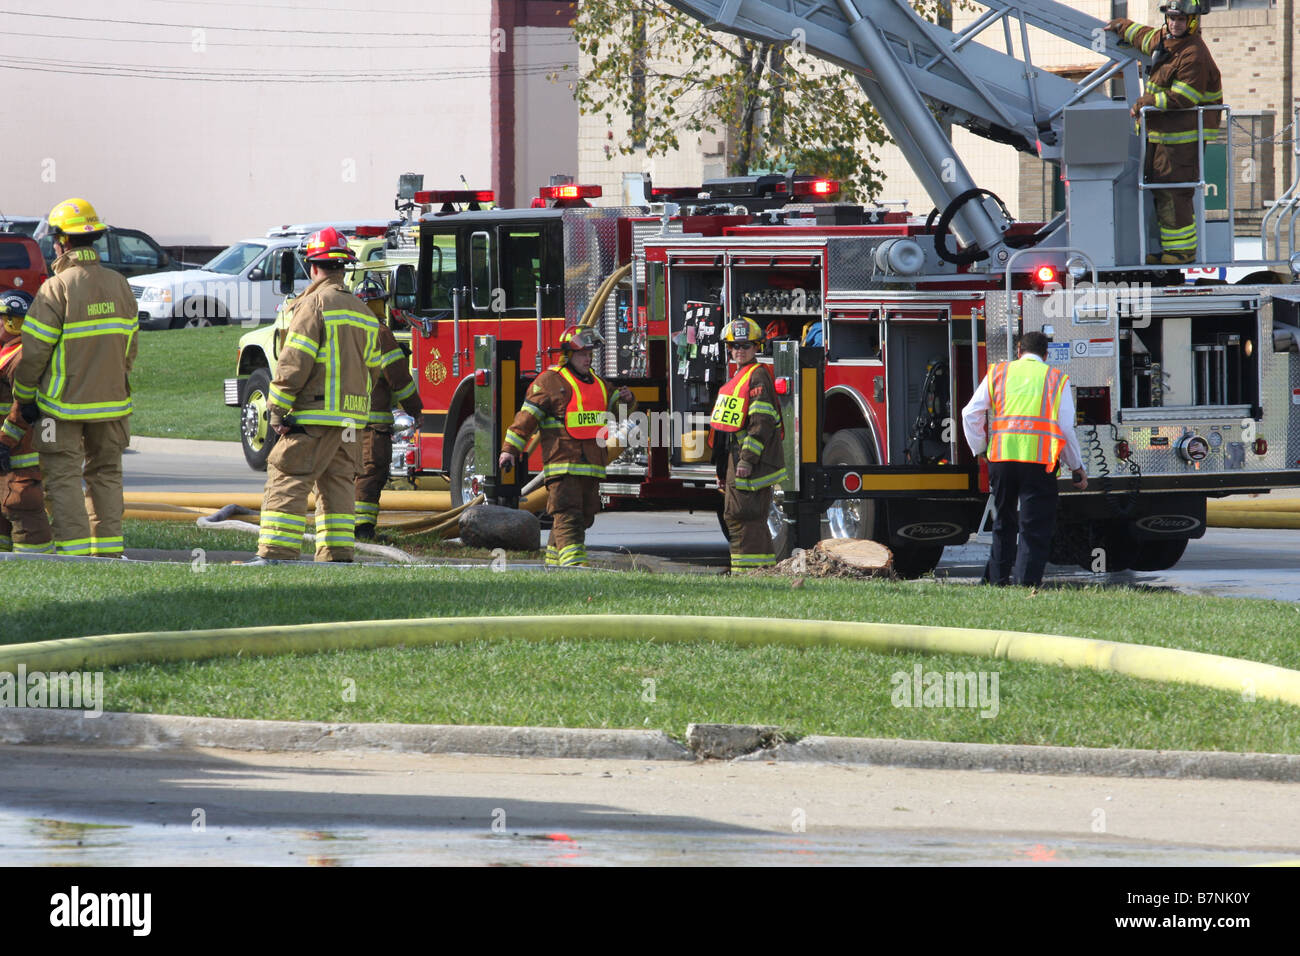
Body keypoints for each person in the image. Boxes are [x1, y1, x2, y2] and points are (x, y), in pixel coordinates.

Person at [251, 227, 383, 564]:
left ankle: (276, 555)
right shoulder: (364, 314)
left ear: (313, 267)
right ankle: (337, 556)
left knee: (288, 478)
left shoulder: (313, 304)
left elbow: (295, 360)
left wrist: (277, 409)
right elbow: (375, 370)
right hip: (350, 423)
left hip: (311, 417)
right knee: (337, 486)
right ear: (344, 267)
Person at [15, 197, 137, 558]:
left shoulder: (56, 289)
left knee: (64, 477)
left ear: (62, 242)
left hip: (59, 410)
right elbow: (129, 349)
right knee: (107, 476)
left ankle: (75, 555)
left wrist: (24, 396)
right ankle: (110, 552)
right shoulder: (121, 285)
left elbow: (35, 352)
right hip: (113, 405)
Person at [497, 326, 634, 568]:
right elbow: (526, 419)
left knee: (583, 516)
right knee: (567, 513)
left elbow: (616, 412)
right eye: (583, 354)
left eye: (590, 353)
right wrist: (510, 449)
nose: (588, 358)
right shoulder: (549, 382)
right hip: (562, 463)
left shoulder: (599, 384)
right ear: (568, 355)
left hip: (591, 465)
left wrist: (627, 400)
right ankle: (574, 567)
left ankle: (553, 560)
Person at [962, 331, 1088, 588]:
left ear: (1019, 350)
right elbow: (1064, 429)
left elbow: (970, 413)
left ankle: (997, 581)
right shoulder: (1056, 379)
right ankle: (1026, 584)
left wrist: (981, 449)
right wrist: (1076, 467)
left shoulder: (999, 373)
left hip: (1002, 460)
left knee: (1003, 523)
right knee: (1033, 528)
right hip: (1038, 464)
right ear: (1046, 354)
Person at [1106, 0, 1222, 266]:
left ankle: (1181, 253)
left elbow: (1184, 96)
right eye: (1171, 18)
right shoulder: (1166, 40)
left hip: (1182, 139)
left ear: (1191, 22)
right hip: (1162, 136)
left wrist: (1144, 103)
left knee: (1173, 193)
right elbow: (1144, 36)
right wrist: (1120, 26)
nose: (1174, 23)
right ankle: (1167, 250)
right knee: (1161, 191)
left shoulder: (1194, 53)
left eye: (1180, 19)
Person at [709, 317, 785, 572]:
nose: (739, 350)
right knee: (748, 518)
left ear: (757, 347)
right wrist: (723, 469)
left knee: (741, 516)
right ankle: (762, 572)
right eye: (734, 346)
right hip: (737, 460)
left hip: (751, 461)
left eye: (746, 345)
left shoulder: (757, 376)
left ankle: (747, 575)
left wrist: (746, 460)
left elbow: (761, 422)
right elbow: (726, 430)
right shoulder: (740, 376)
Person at [351, 275, 422, 541]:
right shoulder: (379, 333)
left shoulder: (343, 331)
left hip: (341, 423)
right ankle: (363, 530)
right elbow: (399, 378)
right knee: (370, 473)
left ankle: (339, 527)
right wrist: (415, 409)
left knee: (345, 473)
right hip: (372, 424)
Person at [0, 299, 53, 554]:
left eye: (1, 318)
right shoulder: (9, 352)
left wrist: (4, 442)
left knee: (22, 501)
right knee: (5, 504)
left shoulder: (21, 357)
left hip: (21, 450)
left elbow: (22, 407)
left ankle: (35, 561)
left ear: (14, 321)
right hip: (10, 452)